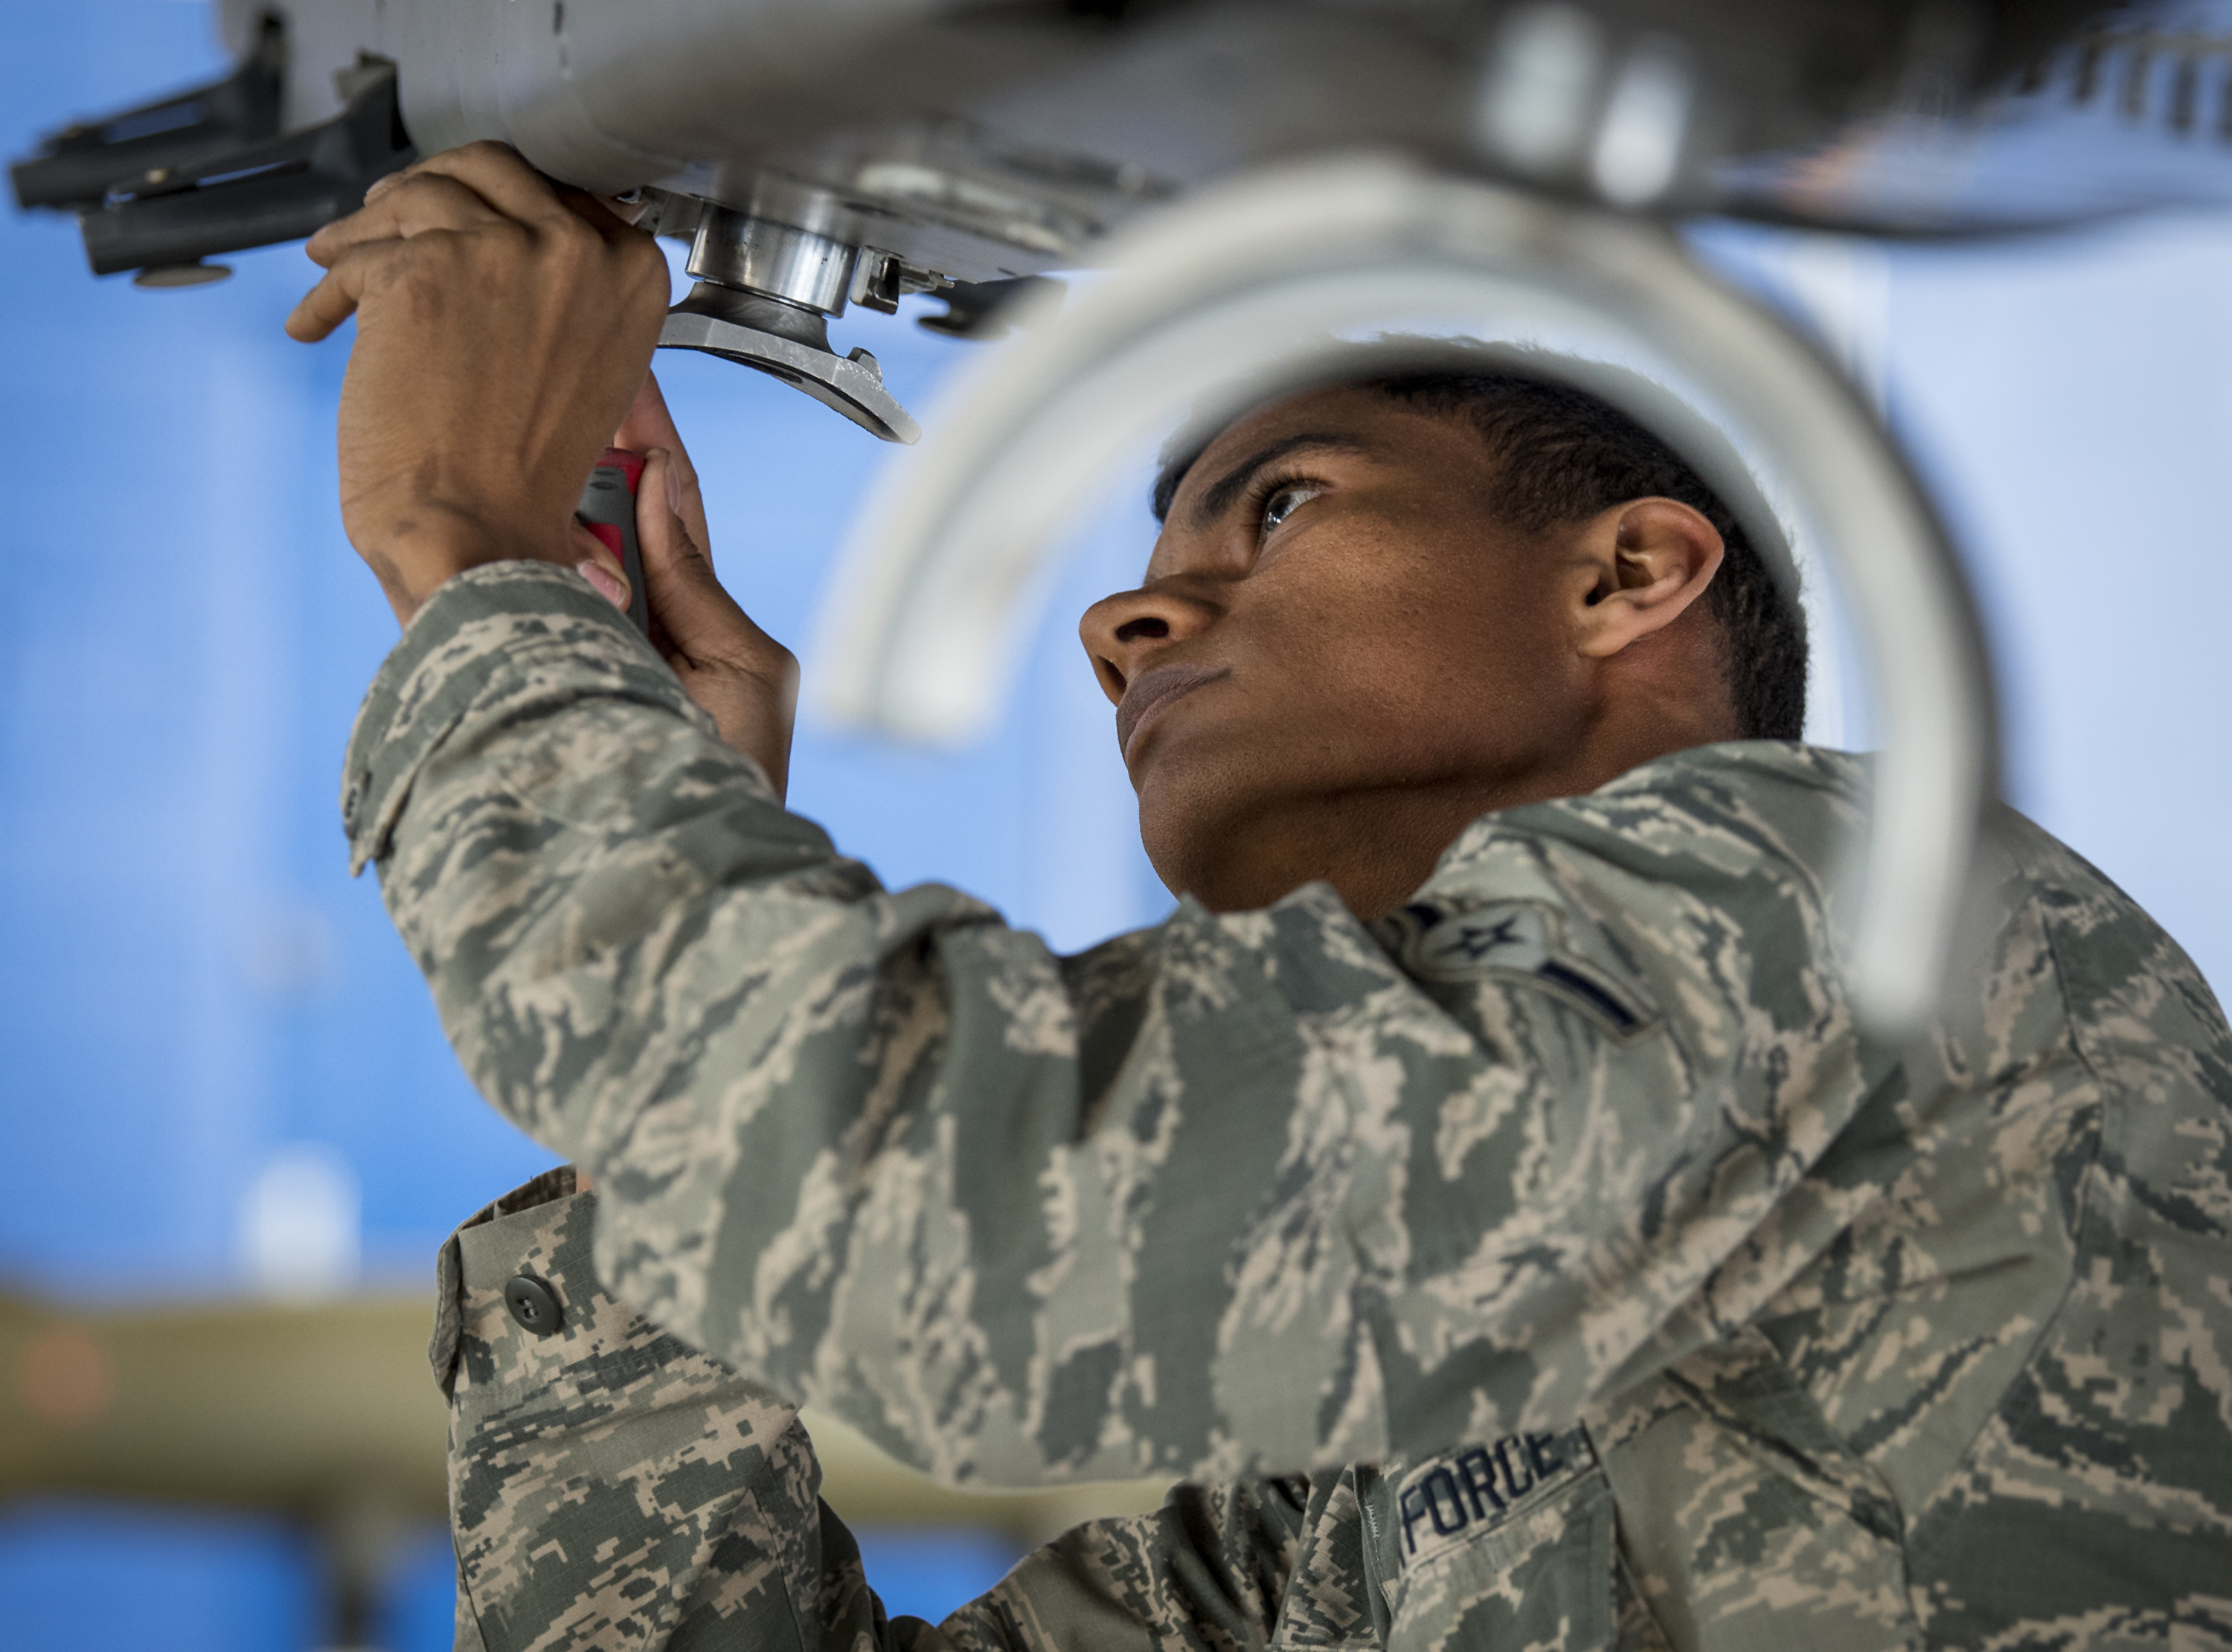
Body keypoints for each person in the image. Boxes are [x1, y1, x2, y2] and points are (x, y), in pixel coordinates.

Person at [295, 144, 2232, 1648]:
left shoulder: (1840, 918)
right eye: (1151, 557)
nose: (1124, 621)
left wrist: (479, 571)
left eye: (1282, 504)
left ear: (1628, 572)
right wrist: (635, 839)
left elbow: (944, 1234)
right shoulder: (1361, 1482)